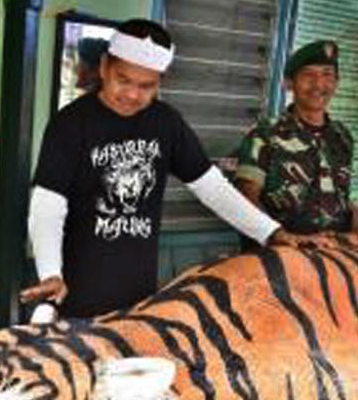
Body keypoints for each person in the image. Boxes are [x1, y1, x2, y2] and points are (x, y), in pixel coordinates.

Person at [21, 18, 283, 319]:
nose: (133, 95)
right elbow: (48, 204)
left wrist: (270, 232)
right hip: (75, 294)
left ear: (161, 81)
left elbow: (211, 186)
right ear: (105, 67)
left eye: (147, 86)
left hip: (139, 295)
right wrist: (50, 273)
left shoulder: (165, 122)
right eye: (124, 80)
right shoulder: (70, 123)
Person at [234, 39, 358, 236]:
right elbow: (246, 198)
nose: (318, 84)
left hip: (334, 255)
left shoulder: (342, 136)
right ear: (289, 83)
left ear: (336, 83)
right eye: (308, 75)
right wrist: (282, 237)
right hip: (282, 257)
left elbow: (342, 198)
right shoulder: (264, 135)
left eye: (327, 75)